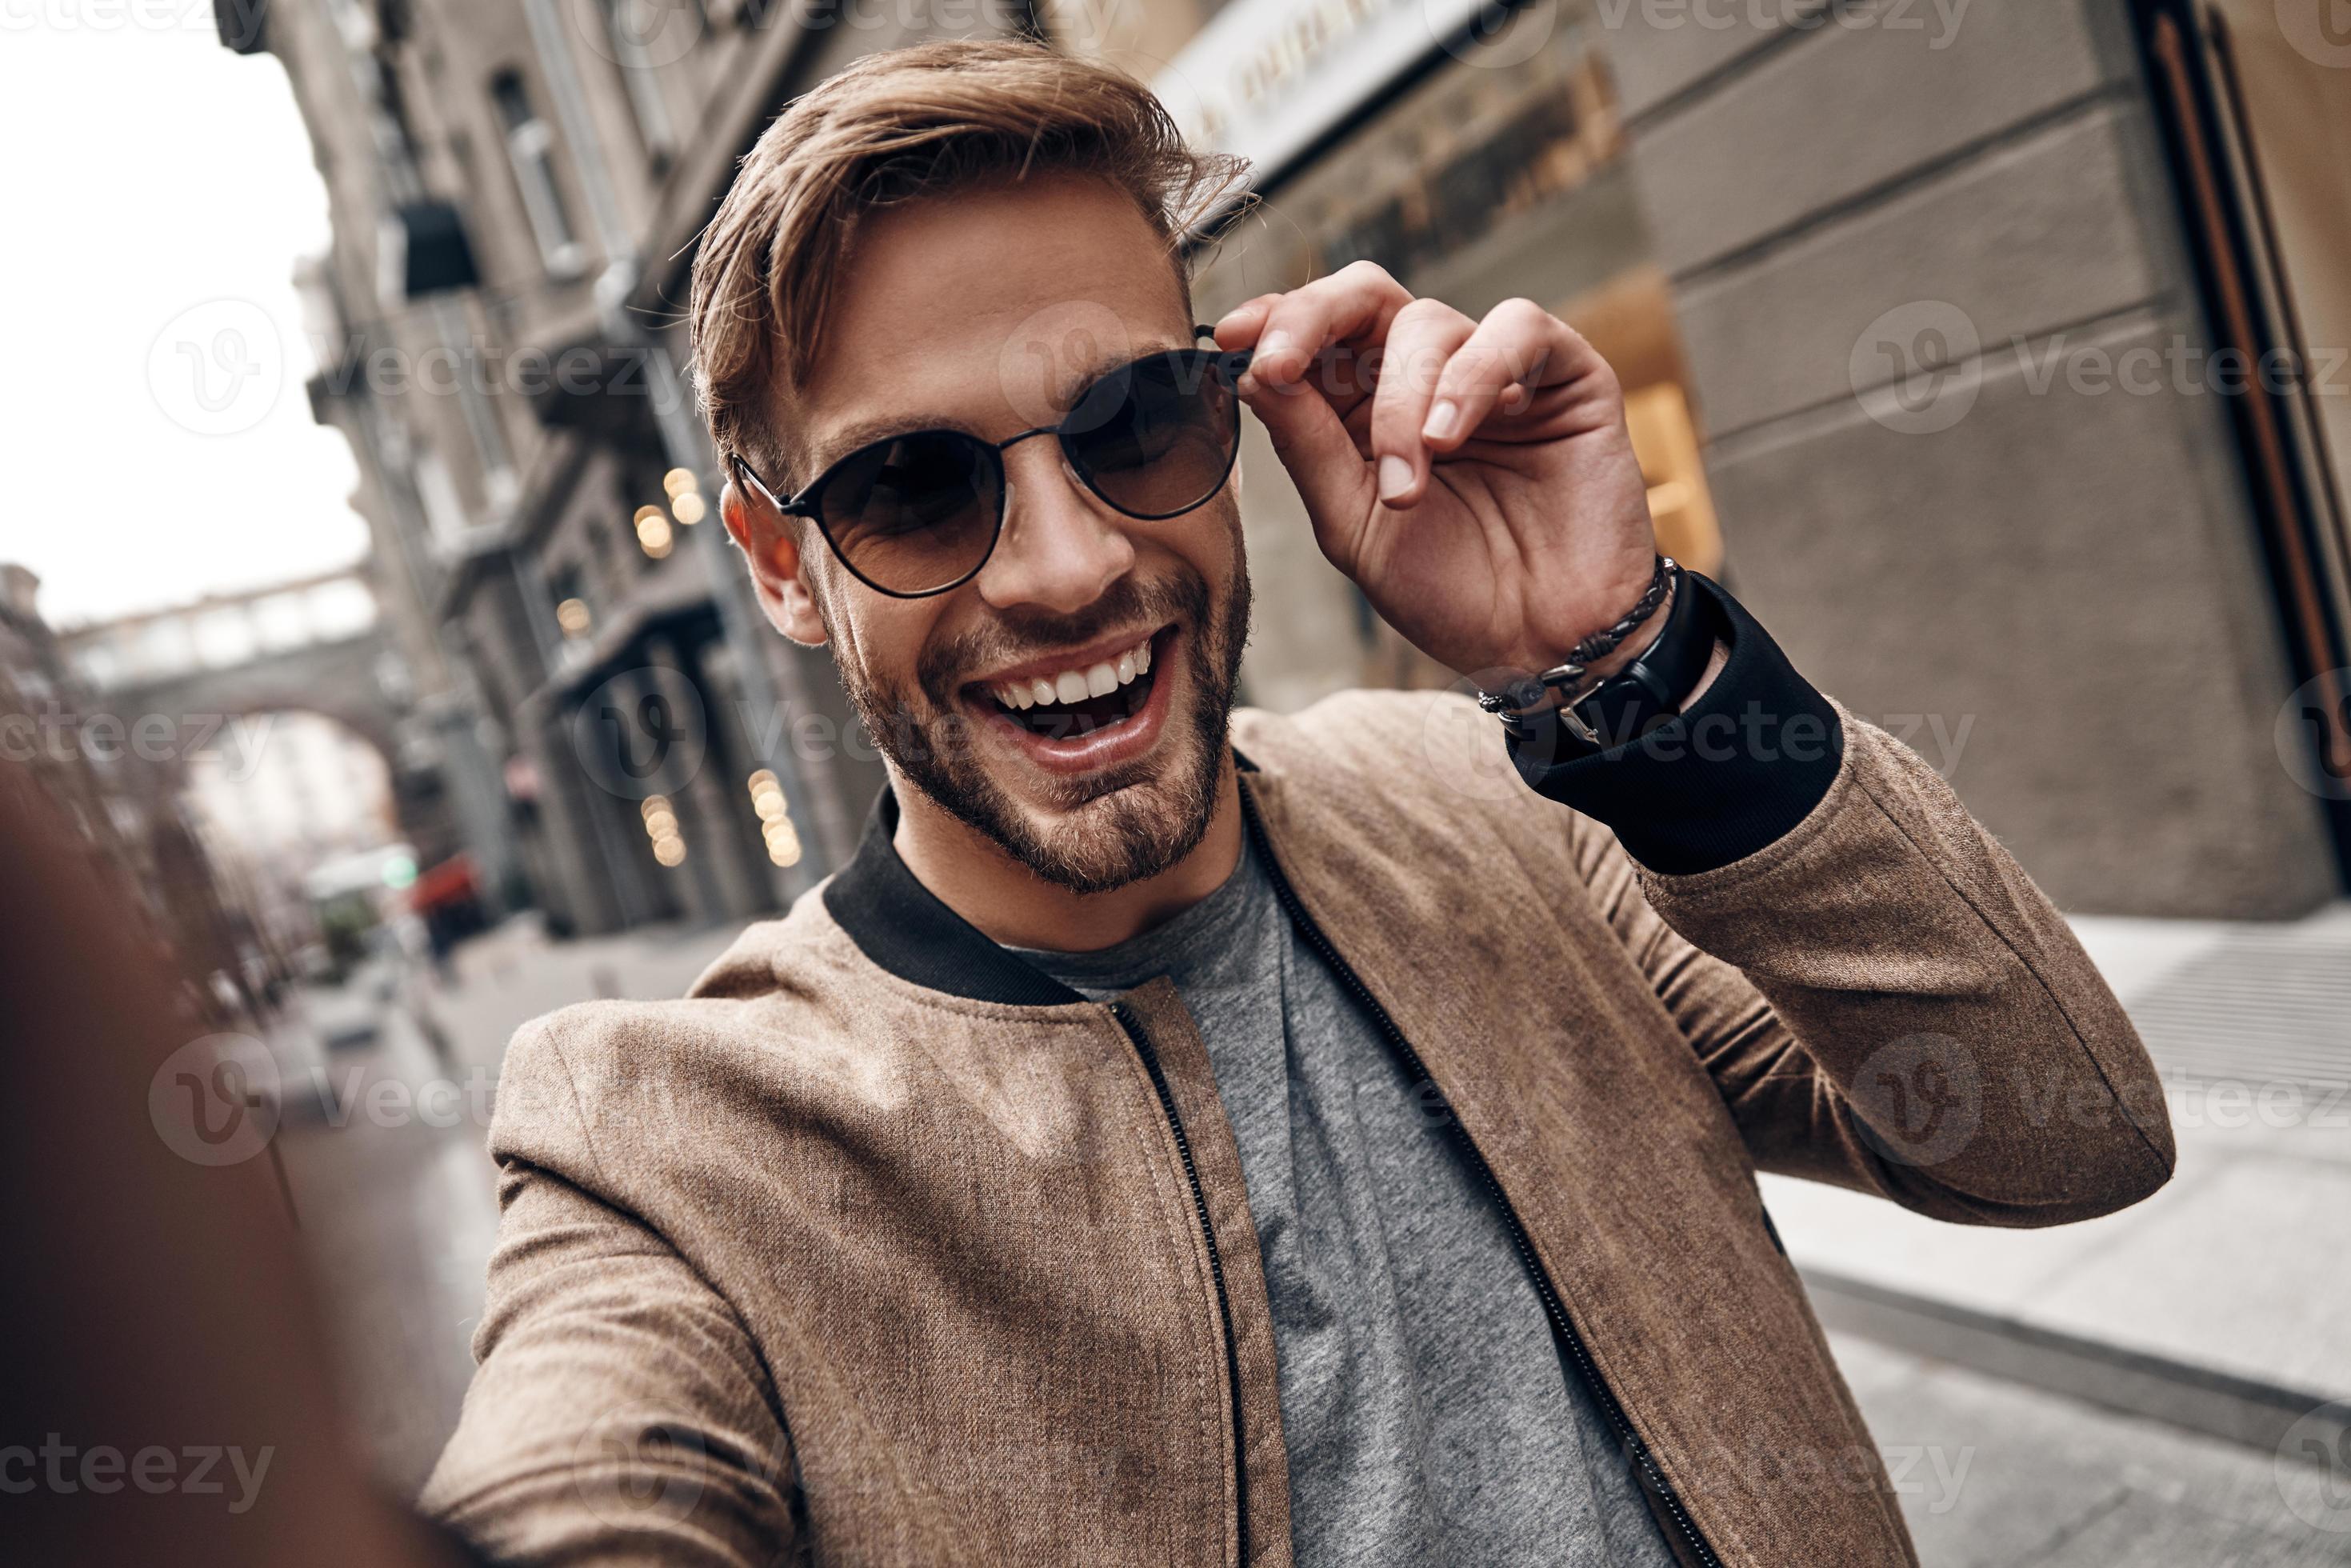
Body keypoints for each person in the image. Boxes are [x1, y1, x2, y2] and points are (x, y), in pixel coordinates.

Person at [422, 38, 2173, 1568]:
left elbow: (2063, 1134)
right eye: (911, 485)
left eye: (1133, 422)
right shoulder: (672, 1144)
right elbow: (579, 1485)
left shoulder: (1482, 803)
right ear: (779, 566)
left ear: (1230, 410)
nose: (1069, 564)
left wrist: (1625, 662)